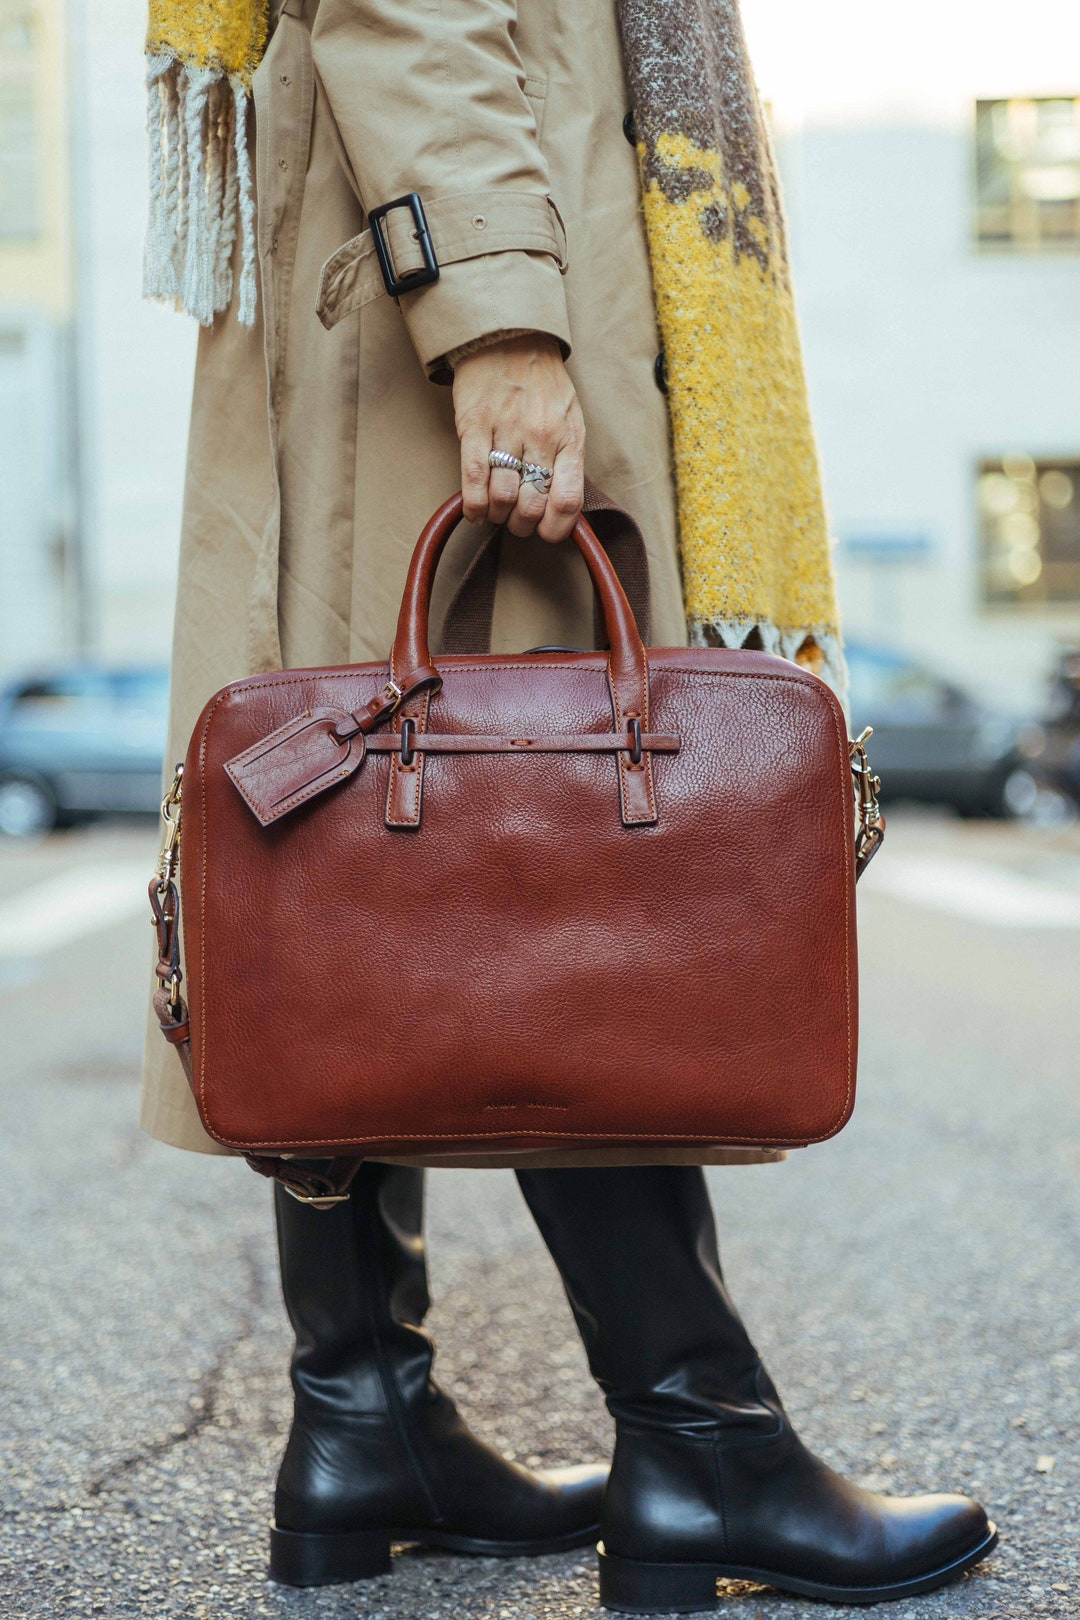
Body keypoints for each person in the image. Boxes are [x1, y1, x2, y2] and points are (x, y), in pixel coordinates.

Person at [140, 0, 997, 1607]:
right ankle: (701, 1443)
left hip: (413, 258)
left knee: (351, 873)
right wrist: (501, 320)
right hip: (460, 280)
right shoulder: (492, 312)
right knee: (557, 876)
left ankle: (365, 1412)